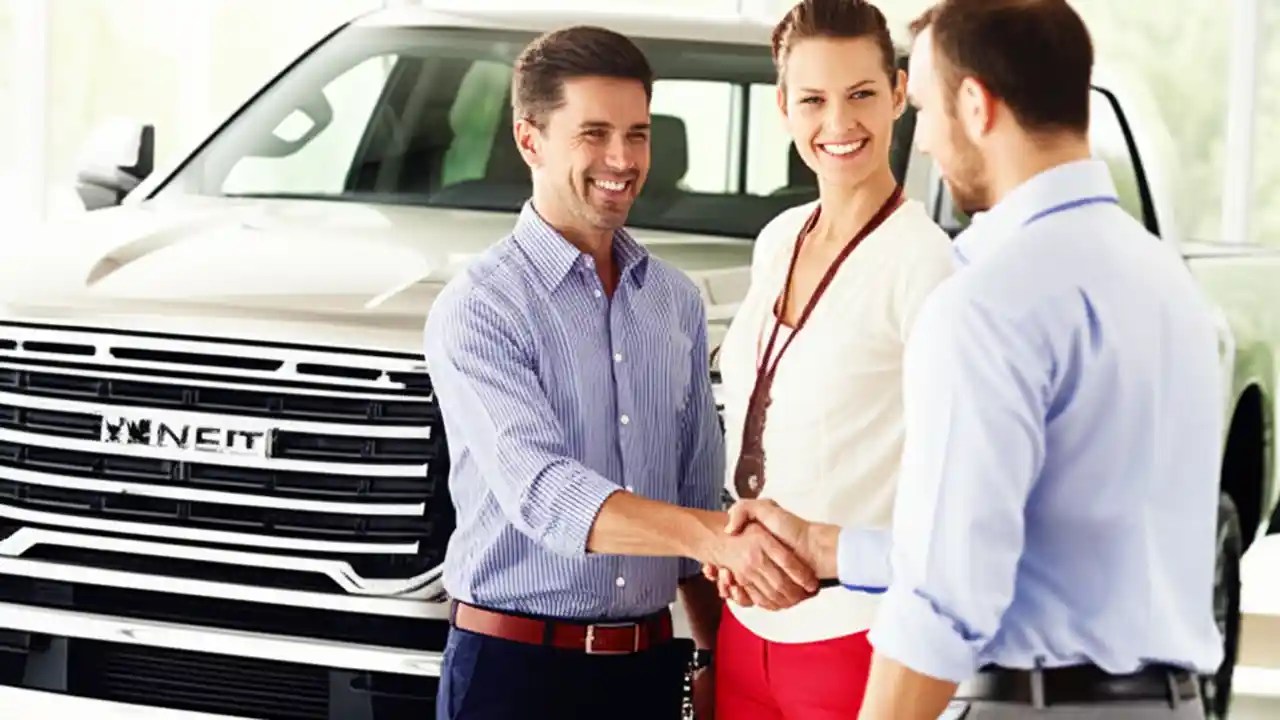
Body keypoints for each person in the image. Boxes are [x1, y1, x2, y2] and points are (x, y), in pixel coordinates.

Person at [720, 1, 1225, 718]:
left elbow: (946, 592)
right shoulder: (1165, 281)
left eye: (924, 107)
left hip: (1027, 702)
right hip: (1166, 703)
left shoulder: (987, 299)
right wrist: (833, 549)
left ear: (976, 106)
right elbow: (1036, 534)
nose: (923, 140)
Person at [422, 25, 818, 720]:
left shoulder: (674, 301)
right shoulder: (481, 306)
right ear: (529, 140)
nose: (622, 159)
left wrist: (715, 657)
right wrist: (718, 538)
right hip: (514, 676)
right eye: (594, 133)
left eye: (638, 134)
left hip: (648, 673)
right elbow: (544, 492)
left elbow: (695, 488)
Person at [702, 1, 955, 718]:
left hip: (856, 637)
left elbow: (952, 486)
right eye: (813, 99)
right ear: (783, 106)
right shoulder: (779, 237)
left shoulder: (926, 265)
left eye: (862, 94)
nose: (838, 123)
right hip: (748, 627)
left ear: (900, 94)